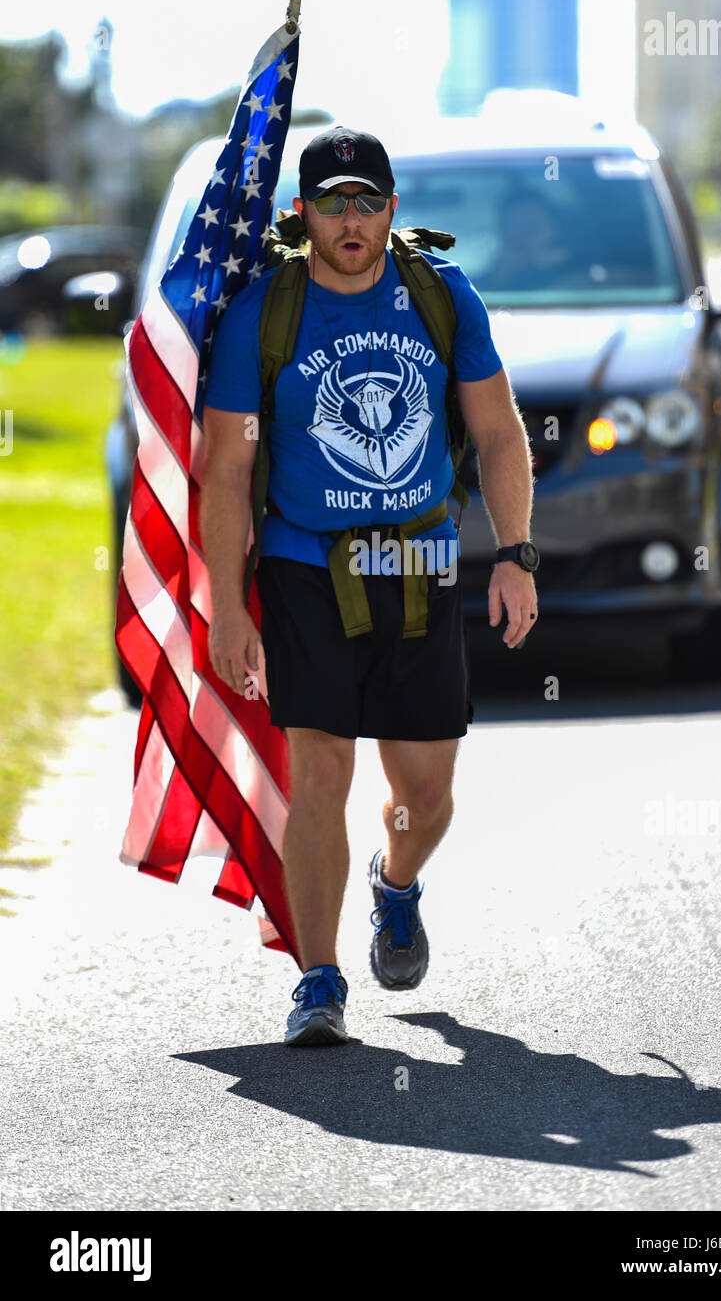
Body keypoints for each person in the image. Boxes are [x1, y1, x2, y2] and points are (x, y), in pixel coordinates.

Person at [200, 126, 538, 1047]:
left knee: (422, 793)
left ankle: (395, 886)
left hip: (421, 566)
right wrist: (230, 607)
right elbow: (224, 470)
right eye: (334, 203)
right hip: (307, 566)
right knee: (321, 771)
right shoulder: (262, 315)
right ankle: (318, 978)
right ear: (301, 213)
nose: (352, 221)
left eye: (369, 202)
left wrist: (514, 554)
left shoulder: (439, 295)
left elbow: (500, 432)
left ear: (393, 210)